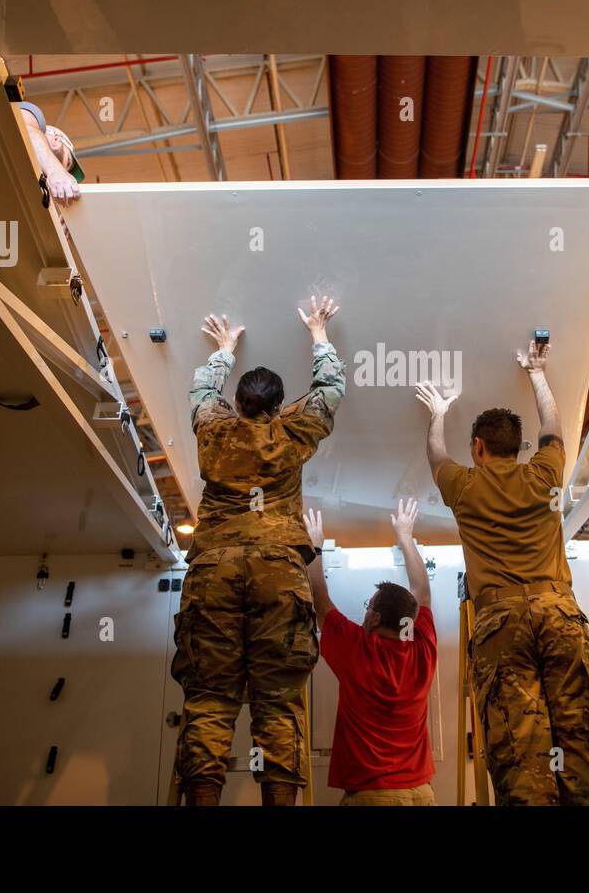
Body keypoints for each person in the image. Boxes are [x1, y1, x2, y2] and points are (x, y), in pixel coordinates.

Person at [414, 339, 589, 805]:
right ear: (517, 447)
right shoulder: (544, 474)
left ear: (478, 447)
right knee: (584, 744)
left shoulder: (464, 486)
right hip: (558, 611)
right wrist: (537, 372)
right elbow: (553, 426)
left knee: (522, 755)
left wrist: (438, 412)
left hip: (501, 621)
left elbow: (435, 457)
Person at [170, 296, 345, 806]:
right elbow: (330, 388)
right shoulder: (291, 431)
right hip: (278, 571)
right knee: (279, 701)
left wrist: (223, 350)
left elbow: (201, 388)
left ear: (239, 403)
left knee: (208, 699)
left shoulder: (213, 430)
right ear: (275, 406)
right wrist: (318, 334)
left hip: (213, 569)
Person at [302, 499, 437, 805]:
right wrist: (405, 536)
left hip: (374, 796)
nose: (366, 613)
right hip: (422, 794)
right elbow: (423, 592)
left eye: (369, 607)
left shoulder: (357, 648)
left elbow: (319, 599)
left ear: (375, 617)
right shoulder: (423, 650)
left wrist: (316, 546)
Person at [17, 101, 83, 205]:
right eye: (68, 163)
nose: (65, 171)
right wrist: (55, 170)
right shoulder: (34, 116)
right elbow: (24, 129)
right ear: (56, 140)